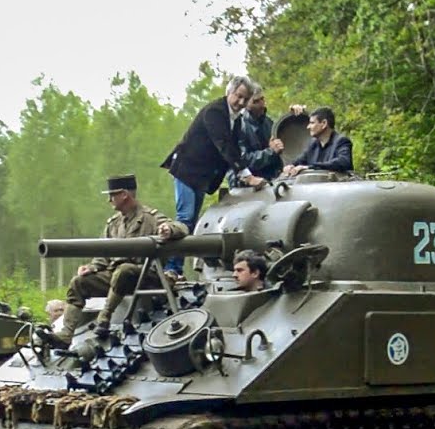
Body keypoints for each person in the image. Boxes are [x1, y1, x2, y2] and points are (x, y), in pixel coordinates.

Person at [47, 175, 188, 346]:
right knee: (79, 282)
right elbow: (103, 253)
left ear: (125, 195)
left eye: (112, 195)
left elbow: (182, 228)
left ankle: (104, 317)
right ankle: (66, 334)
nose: (109, 200)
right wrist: (92, 267)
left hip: (145, 275)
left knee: (125, 270)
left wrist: (168, 230)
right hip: (117, 277)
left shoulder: (150, 218)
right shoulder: (113, 224)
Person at [161, 76, 254, 277]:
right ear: (229, 92)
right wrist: (244, 173)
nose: (241, 102)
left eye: (245, 99)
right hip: (187, 169)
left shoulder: (236, 119)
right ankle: (172, 268)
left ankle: (176, 268)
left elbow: (235, 148)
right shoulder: (215, 112)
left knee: (191, 222)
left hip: (203, 175)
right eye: (238, 96)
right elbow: (224, 145)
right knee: (184, 219)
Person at [231, 85, 290, 189]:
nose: (261, 104)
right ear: (245, 104)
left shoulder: (268, 122)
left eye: (262, 99)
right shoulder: (238, 126)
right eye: (256, 101)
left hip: (272, 181)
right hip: (247, 185)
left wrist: (295, 113)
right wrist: (271, 152)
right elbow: (242, 161)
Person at [283, 107, 353, 175]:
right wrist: (290, 166)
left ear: (324, 123)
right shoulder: (313, 145)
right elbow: (299, 161)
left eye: (312, 123)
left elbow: (344, 162)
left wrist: (310, 167)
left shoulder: (341, 141)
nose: (308, 127)